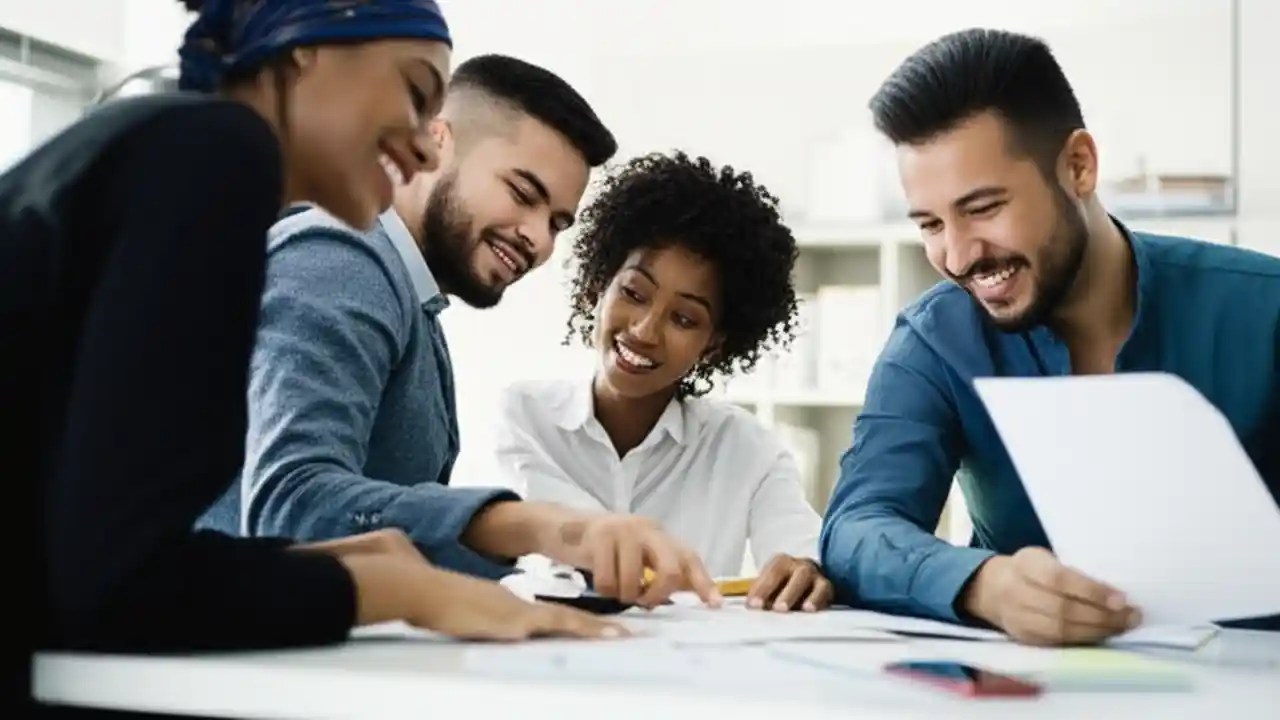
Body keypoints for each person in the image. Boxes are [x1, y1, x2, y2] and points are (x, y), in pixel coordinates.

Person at [3, 5, 637, 711]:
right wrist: (392, 587)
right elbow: (116, 584)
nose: (424, 147)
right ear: (305, 54)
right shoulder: (222, 153)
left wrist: (355, 565)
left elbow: (95, 554)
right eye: (414, 93)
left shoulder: (181, 150)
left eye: (557, 223)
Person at [198, 55, 723, 609]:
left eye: (556, 223)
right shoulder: (340, 257)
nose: (539, 240)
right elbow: (290, 505)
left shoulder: (413, 302)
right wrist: (549, 527)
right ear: (433, 143)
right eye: (523, 194)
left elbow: (390, 543)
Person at [819, 27, 1280, 646]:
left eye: (983, 209)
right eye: (930, 224)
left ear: (1079, 167)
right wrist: (983, 585)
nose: (958, 255)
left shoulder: (1265, 311)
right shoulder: (934, 341)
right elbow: (858, 527)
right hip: (1035, 685)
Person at [495, 152, 835, 611]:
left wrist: (806, 570)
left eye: (684, 318)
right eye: (634, 293)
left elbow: (800, 551)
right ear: (599, 286)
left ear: (713, 344)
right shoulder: (525, 418)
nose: (645, 330)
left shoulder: (746, 450)